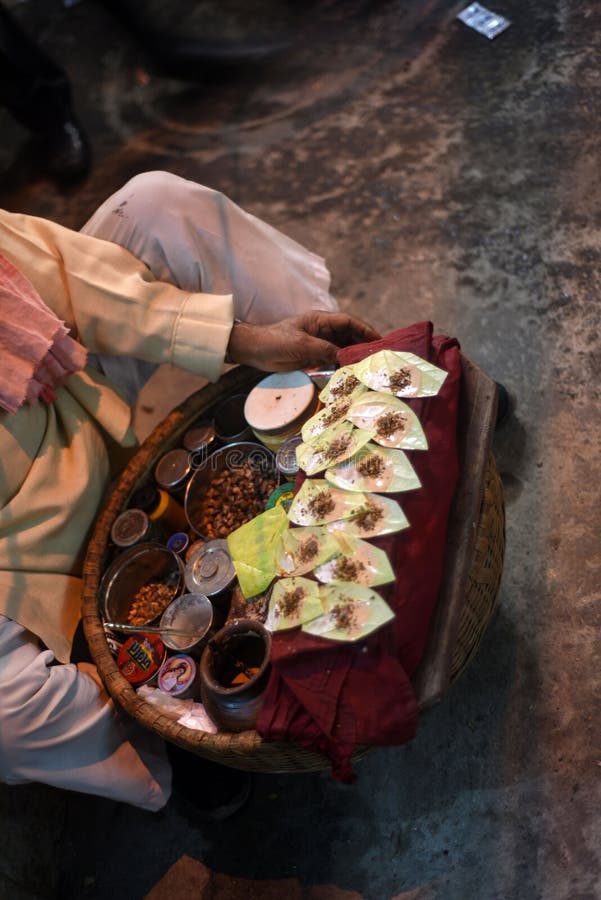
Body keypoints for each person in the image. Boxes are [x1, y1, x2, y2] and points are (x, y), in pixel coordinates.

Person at [0, 170, 380, 814]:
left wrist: (240, 338)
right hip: (23, 558)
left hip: (73, 400)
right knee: (12, 718)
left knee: (158, 207)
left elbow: (59, 274)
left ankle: (369, 378)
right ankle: (175, 727)